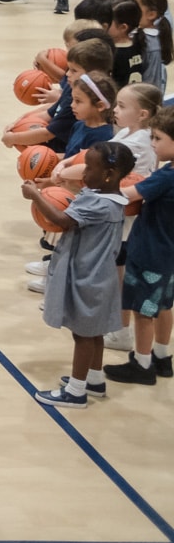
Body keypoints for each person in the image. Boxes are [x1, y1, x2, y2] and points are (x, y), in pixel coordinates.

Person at [25, 142, 132, 407]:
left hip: (88, 278)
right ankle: (94, 380)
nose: (83, 174)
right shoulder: (110, 197)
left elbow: (62, 221)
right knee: (94, 333)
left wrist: (36, 196)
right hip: (99, 275)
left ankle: (75, 392)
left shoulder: (99, 204)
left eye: (89, 169)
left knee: (83, 335)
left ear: (108, 174)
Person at [108, 106, 174, 385]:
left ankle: (142, 364)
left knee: (142, 310)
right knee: (164, 305)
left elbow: (128, 194)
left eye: (158, 138)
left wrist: (100, 188)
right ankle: (162, 356)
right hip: (168, 253)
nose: (152, 143)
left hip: (149, 252)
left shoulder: (166, 176)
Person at [106, 0, 147, 86]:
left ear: (123, 27)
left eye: (107, 21)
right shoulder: (136, 43)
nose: (103, 24)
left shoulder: (114, 53)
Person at [133, 0, 169, 89]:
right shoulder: (138, 35)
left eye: (135, 10)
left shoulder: (151, 45)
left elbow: (151, 83)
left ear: (151, 15)